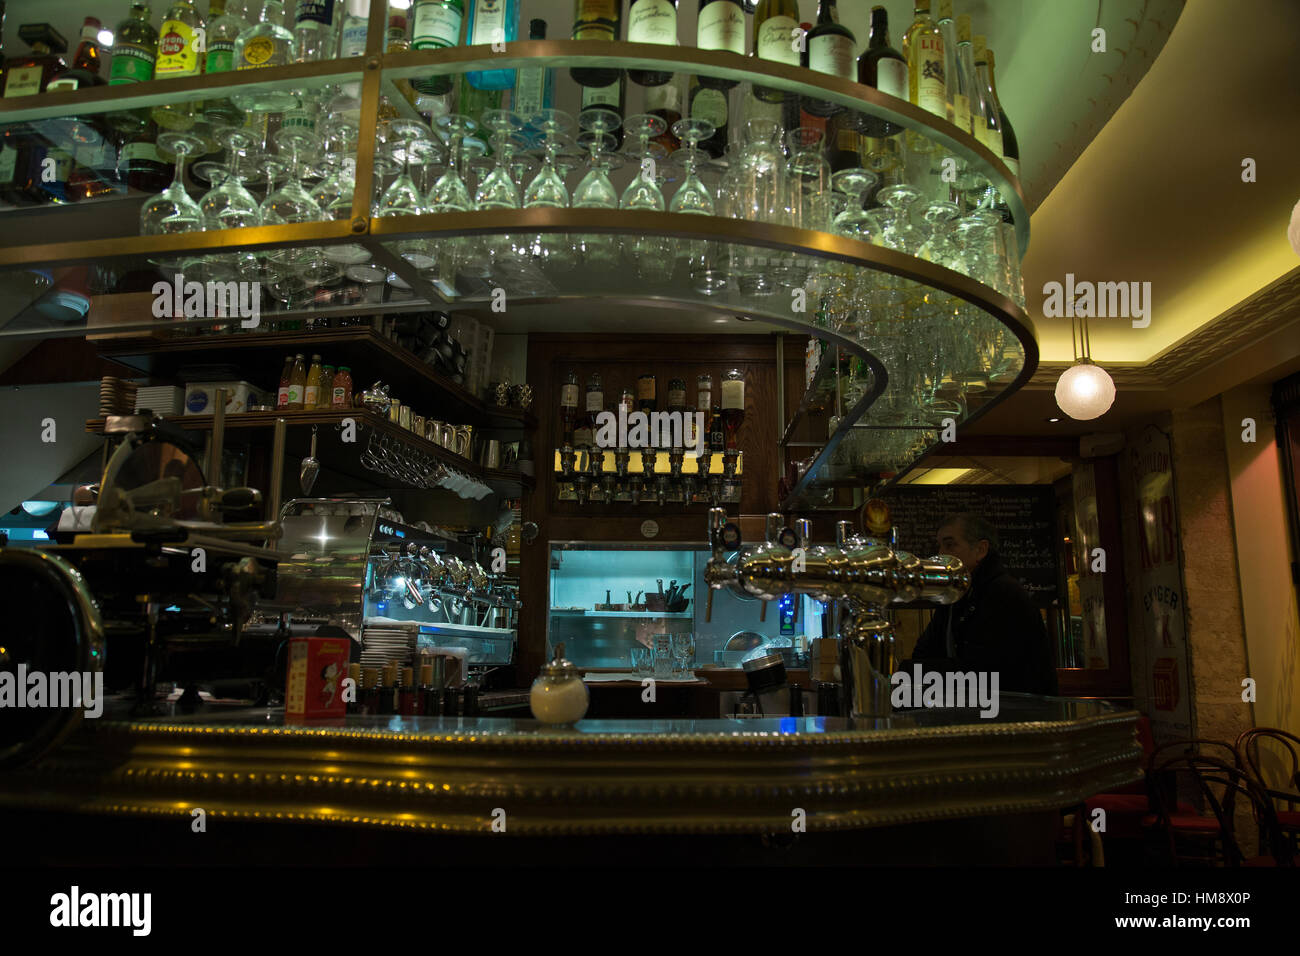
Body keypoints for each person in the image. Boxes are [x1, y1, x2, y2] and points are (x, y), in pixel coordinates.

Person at [911, 512, 1058, 695]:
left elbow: (985, 670)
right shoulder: (954, 593)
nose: (940, 554)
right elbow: (925, 651)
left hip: (1015, 715)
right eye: (940, 546)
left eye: (950, 545)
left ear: (980, 549)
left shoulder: (1004, 594)